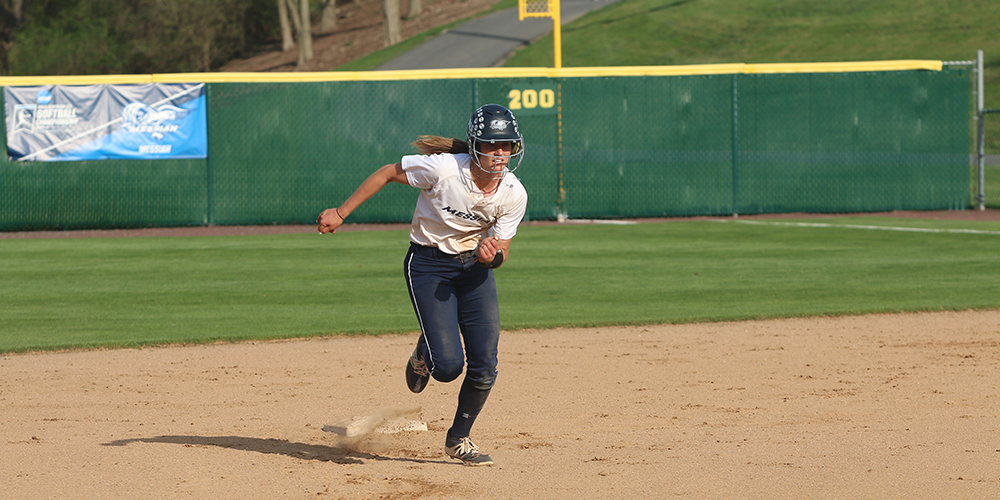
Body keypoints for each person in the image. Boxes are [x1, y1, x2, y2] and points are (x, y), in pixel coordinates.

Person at [316, 104, 528, 466]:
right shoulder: (443, 169)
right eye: (493, 145)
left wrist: (491, 256)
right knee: (447, 368)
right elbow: (386, 172)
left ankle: (459, 438)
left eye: (506, 145)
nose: (500, 153)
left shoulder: (513, 193)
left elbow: (502, 252)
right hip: (429, 265)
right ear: (475, 145)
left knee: (485, 364)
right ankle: (424, 354)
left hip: (475, 272)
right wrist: (341, 212)